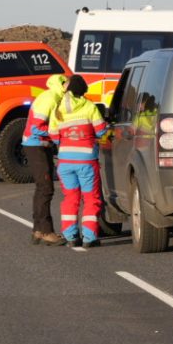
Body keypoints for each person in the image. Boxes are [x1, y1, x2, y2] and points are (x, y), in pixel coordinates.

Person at [48, 74, 107, 248]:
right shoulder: (89, 107)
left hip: (65, 162)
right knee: (90, 199)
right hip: (87, 161)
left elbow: (53, 135)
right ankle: (89, 237)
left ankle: (71, 236)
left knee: (70, 198)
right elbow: (101, 130)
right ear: (84, 90)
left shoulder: (58, 109)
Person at [23, 73, 69, 245]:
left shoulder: (54, 97)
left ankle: (38, 230)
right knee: (46, 188)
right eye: (67, 85)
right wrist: (59, 135)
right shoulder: (49, 99)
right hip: (36, 145)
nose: (69, 89)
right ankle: (47, 232)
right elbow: (36, 127)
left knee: (42, 188)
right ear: (61, 84)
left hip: (40, 145)